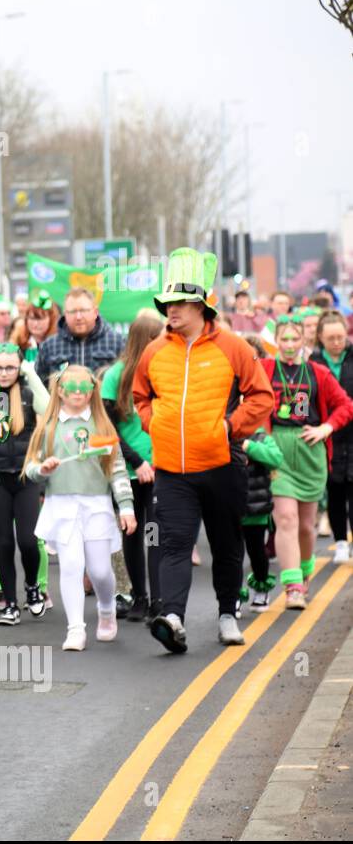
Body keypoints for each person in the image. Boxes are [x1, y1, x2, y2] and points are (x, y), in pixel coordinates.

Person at [132, 248, 273, 654]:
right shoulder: (156, 350)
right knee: (174, 543)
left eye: (177, 303)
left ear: (199, 306)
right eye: (166, 304)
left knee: (227, 543)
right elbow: (140, 396)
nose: (169, 310)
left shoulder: (232, 347)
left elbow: (261, 396)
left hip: (222, 464)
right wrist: (152, 423)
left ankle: (228, 613)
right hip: (173, 470)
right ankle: (174, 618)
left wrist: (229, 427)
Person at [24, 365, 136, 650]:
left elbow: (118, 470)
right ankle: (76, 628)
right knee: (71, 566)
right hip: (61, 505)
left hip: (96, 505)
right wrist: (43, 470)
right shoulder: (48, 428)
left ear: (92, 391)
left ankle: (107, 608)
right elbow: (31, 468)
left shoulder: (101, 426)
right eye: (71, 388)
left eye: (84, 389)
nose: (77, 394)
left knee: (99, 570)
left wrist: (125, 507)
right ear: (59, 391)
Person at [262, 316, 353, 608]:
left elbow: (345, 405)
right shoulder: (264, 369)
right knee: (285, 518)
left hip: (310, 451)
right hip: (278, 451)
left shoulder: (318, 373)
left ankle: (304, 574)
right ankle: (292, 587)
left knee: (304, 525)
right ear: (276, 341)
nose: (289, 346)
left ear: (304, 341)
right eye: (284, 339)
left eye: (294, 339)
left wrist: (326, 428)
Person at [101, 308, 164, 625]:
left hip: (161, 468)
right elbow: (108, 429)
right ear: (148, 340)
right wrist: (137, 461)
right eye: (161, 337)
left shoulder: (164, 371)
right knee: (132, 532)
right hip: (128, 470)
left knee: (154, 534)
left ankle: (159, 600)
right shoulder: (115, 376)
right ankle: (139, 596)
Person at [0, 343, 48, 625]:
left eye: (10, 367)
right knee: (4, 542)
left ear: (19, 367)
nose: (3, 373)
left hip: (25, 476)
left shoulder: (27, 392)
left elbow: (48, 409)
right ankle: (10, 603)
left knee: (28, 540)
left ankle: (33, 587)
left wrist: (29, 372)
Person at [239, 334, 284, 611]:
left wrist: (248, 446)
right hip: (230, 504)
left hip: (256, 506)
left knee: (256, 551)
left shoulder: (259, 437)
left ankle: (261, 586)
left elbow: (275, 457)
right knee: (230, 553)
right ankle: (231, 594)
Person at [312, 311, 353, 562]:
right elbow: (302, 402)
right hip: (327, 436)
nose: (337, 342)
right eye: (331, 338)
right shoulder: (313, 363)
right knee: (335, 492)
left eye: (341, 337)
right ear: (320, 338)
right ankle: (340, 542)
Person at [35, 287, 125, 380]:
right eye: (73, 311)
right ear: (65, 314)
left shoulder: (117, 343)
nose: (78, 317)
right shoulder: (49, 346)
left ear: (95, 312)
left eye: (83, 310)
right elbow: (39, 386)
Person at [22, 290, 58, 365]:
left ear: (51, 320)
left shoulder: (58, 345)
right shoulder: (19, 343)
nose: (35, 324)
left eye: (40, 319)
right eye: (32, 318)